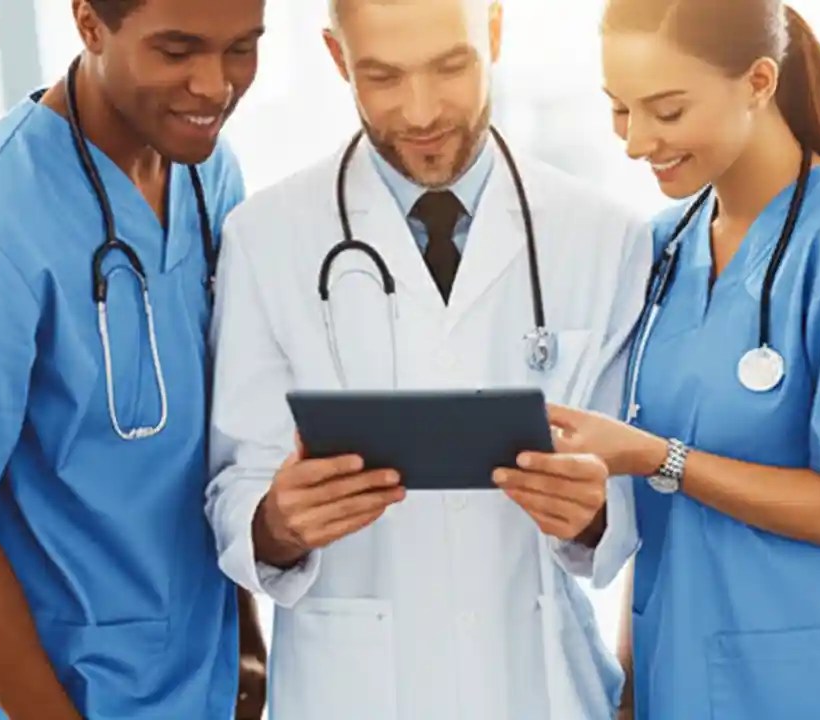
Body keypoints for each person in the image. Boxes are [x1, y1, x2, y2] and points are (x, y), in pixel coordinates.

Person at [204, 0, 653, 716]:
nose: (420, 112)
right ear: (336, 58)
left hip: (534, 681)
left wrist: (594, 511)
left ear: (496, 33)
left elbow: (633, 491)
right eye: (382, 77)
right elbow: (235, 486)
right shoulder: (266, 238)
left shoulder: (603, 237)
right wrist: (279, 522)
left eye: (450, 67)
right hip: (351, 689)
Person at [0, 1, 270, 718]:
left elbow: (213, 440)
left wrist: (245, 643)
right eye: (177, 50)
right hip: (56, 691)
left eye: (241, 48)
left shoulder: (208, 176)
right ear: (90, 24)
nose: (214, 86)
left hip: (200, 679)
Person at [548, 1, 820, 718]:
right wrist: (629, 674)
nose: (637, 142)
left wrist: (656, 457)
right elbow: (654, 517)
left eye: (668, 111)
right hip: (676, 670)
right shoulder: (660, 249)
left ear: (759, 81)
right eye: (619, 110)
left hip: (818, 679)